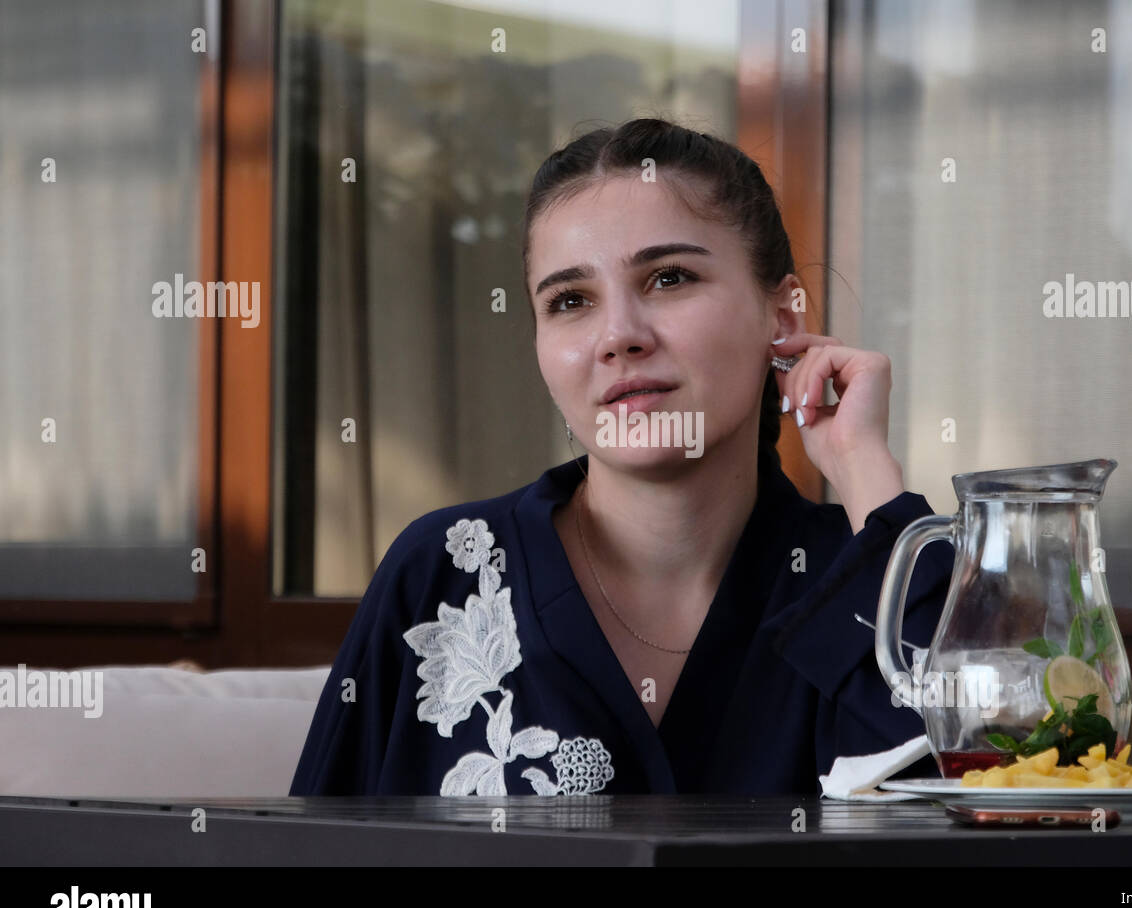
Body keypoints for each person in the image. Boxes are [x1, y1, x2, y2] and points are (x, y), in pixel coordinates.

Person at [289, 117, 955, 796]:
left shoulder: (868, 575)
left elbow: (990, 811)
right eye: (570, 301)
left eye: (668, 279)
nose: (617, 337)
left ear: (781, 316)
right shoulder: (440, 574)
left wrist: (864, 470)